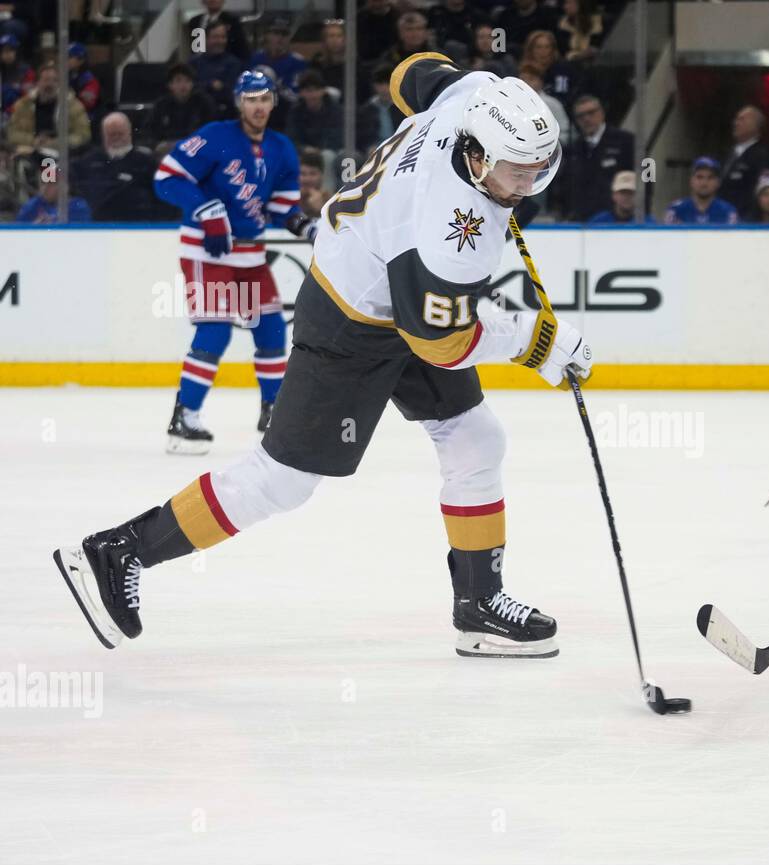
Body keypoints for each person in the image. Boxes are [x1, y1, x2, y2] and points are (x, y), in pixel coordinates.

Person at [56, 55, 591, 664]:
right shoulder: (447, 233)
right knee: (282, 481)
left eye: (538, 171)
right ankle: (118, 551)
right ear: (476, 154)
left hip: (390, 285)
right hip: (352, 320)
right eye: (516, 174)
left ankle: (479, 605)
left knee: (474, 438)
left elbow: (410, 73)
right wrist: (537, 341)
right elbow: (441, 341)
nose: (528, 186)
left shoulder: (473, 96)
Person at [152, 70, 312, 453]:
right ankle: (184, 417)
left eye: (265, 98)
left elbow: (281, 209)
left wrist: (306, 226)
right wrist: (206, 211)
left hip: (250, 254)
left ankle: (272, 412)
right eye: (251, 99)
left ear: (274, 102)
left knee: (272, 329)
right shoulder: (215, 136)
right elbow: (167, 176)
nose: (258, 106)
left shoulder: (281, 147)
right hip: (207, 253)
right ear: (240, 102)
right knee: (215, 332)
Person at [74, 111, 166, 221]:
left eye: (120, 133)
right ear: (103, 135)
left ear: (129, 133)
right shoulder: (89, 161)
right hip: (99, 226)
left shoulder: (146, 161)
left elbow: (161, 197)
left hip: (139, 225)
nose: (116, 137)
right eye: (112, 134)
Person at [555, 94, 633, 221]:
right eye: (581, 116)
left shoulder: (626, 141)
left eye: (591, 113)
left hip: (616, 222)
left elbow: (649, 167)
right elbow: (563, 185)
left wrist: (645, 202)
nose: (586, 119)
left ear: (602, 113)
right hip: (580, 223)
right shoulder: (573, 149)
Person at [6, 62, 91, 153]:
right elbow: (12, 133)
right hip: (30, 151)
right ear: (37, 82)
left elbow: (83, 135)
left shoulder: (73, 105)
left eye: (55, 80)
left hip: (63, 153)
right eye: (46, 80)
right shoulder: (23, 105)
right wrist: (33, 140)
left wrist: (55, 143)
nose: (50, 84)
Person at [718, 105, 769, 220]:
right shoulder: (728, 154)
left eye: (742, 119)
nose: (736, 123)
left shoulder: (762, 155)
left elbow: (762, 190)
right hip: (723, 219)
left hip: (746, 220)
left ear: (756, 125)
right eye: (736, 119)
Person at [147, 63, 215, 150]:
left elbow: (210, 129)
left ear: (192, 84)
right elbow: (149, 130)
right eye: (178, 81)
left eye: (187, 81)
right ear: (170, 85)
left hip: (195, 147)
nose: (183, 85)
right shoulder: (161, 105)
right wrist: (157, 144)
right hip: (167, 148)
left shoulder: (204, 102)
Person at [189, 22, 245, 119]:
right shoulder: (194, 63)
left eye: (223, 37)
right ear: (206, 39)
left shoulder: (234, 64)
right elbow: (190, 89)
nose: (219, 41)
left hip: (225, 116)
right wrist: (211, 85)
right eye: (215, 37)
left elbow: (232, 93)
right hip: (196, 115)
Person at [663, 156, 738, 224]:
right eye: (699, 177)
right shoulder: (676, 210)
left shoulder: (728, 211)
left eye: (710, 178)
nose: (704, 183)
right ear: (691, 181)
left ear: (718, 183)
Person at [287, 69, 343, 151]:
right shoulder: (295, 112)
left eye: (316, 90)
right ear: (301, 93)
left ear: (323, 91)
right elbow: (291, 137)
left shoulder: (335, 111)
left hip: (329, 152)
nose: (313, 95)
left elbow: (337, 138)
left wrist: (319, 150)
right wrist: (304, 149)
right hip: (304, 153)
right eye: (308, 91)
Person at [251, 19, 306, 97]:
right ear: (266, 36)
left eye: (284, 34)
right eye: (276, 33)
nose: (280, 38)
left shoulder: (298, 62)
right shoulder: (255, 59)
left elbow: (299, 94)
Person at [15, 165, 90, 222]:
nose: (45, 187)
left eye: (51, 183)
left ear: (66, 186)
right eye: (43, 182)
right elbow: (17, 230)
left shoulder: (78, 207)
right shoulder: (34, 204)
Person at [186, 0, 251, 63]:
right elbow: (194, 49)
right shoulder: (195, 21)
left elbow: (242, 49)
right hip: (199, 66)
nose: (213, 0)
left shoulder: (232, 21)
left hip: (226, 67)